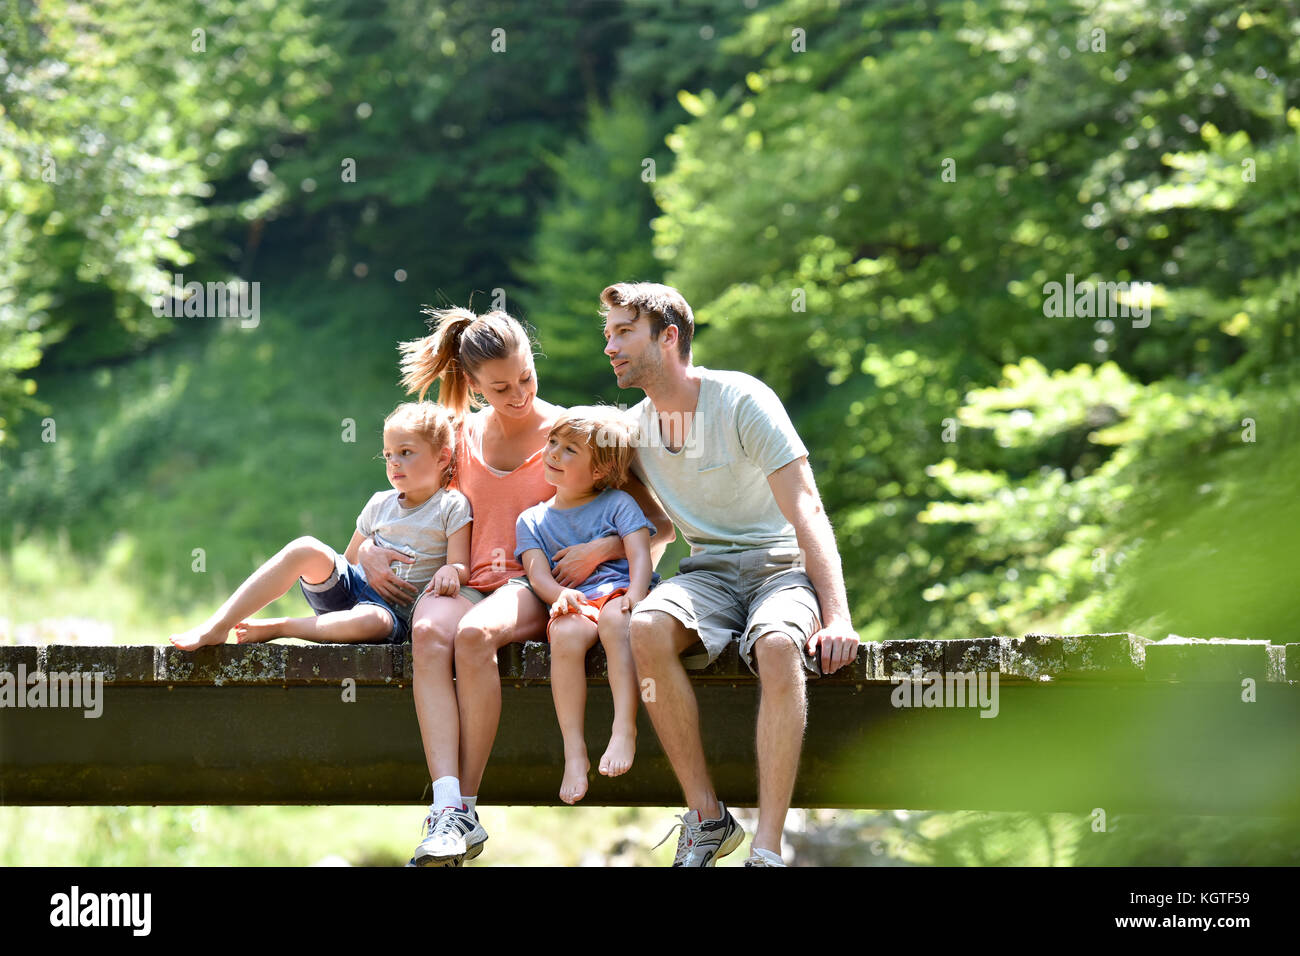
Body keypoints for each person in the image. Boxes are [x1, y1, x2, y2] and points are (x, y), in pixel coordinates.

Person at [357, 306, 674, 867]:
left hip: (534, 585)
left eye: (526, 376)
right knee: (430, 632)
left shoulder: (574, 435)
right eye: (500, 386)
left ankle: (466, 808)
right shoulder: (455, 438)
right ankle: (447, 808)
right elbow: (379, 525)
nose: (519, 392)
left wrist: (602, 548)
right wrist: (374, 553)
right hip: (465, 582)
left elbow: (658, 526)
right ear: (472, 386)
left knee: (475, 637)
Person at [600, 281, 861, 867]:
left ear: (668, 337)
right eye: (608, 335)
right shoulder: (634, 432)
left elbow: (807, 510)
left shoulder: (743, 400)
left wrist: (838, 615)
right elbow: (657, 528)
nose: (610, 348)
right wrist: (601, 567)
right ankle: (708, 819)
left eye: (624, 333)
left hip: (780, 569)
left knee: (774, 644)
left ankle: (766, 849)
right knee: (644, 627)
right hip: (708, 572)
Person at [168, 402, 470, 651]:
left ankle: (284, 626)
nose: (393, 463)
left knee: (372, 621)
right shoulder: (380, 503)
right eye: (388, 455)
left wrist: (450, 571)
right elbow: (350, 559)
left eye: (406, 453)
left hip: (391, 615)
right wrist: (366, 551)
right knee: (305, 548)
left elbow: (460, 565)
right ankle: (218, 625)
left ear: (442, 457)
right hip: (353, 590)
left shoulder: (451, 506)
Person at [514, 407, 658, 804]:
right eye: (553, 443)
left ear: (599, 471)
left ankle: (623, 728)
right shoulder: (532, 520)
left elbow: (639, 552)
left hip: (619, 591)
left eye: (570, 450)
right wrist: (556, 596)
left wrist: (638, 593)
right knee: (564, 634)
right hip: (574, 602)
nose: (554, 454)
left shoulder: (618, 504)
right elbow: (537, 573)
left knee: (617, 623)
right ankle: (573, 750)